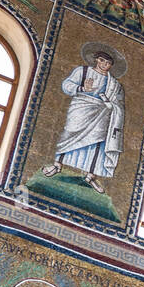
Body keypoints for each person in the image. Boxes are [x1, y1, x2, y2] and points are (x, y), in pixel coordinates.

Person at [41, 47, 125, 194]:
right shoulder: (82, 71)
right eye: (102, 60)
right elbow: (66, 85)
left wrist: (110, 104)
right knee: (69, 134)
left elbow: (119, 103)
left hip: (102, 113)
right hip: (81, 108)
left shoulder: (114, 84)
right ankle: (57, 165)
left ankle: (91, 175)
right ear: (96, 60)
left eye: (108, 62)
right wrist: (82, 88)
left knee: (98, 142)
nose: (104, 64)